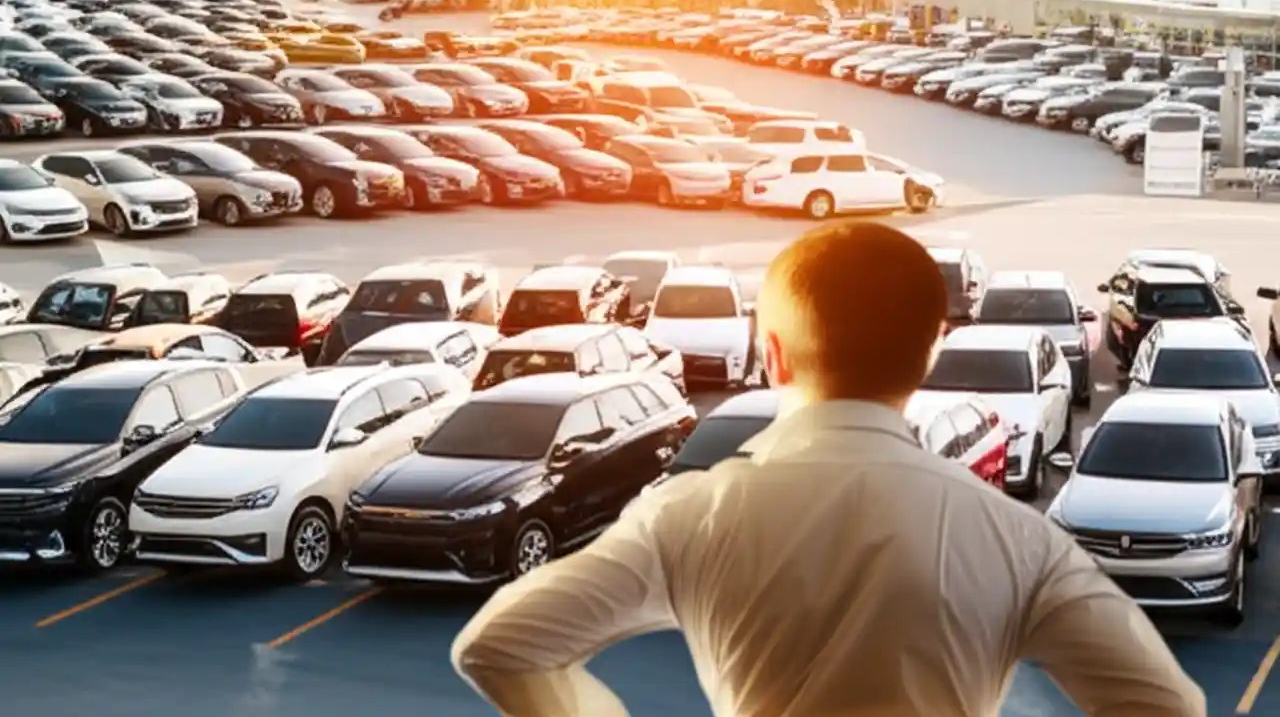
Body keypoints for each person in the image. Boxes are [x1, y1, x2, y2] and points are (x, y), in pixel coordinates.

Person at [451, 222, 1205, 717]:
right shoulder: (1019, 539)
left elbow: (497, 647)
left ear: (773, 356)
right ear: (930, 352)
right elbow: (1164, 705)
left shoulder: (690, 514)